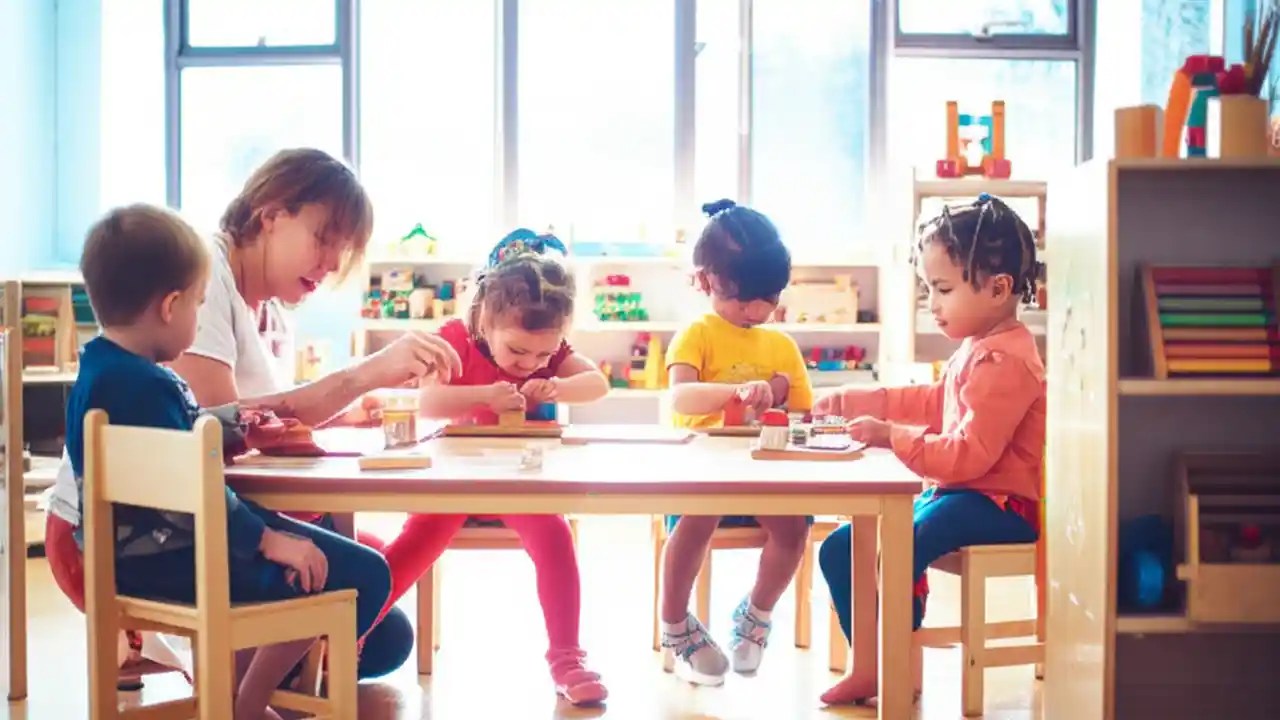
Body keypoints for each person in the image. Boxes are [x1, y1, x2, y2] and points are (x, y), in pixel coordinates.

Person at [64, 204, 395, 720]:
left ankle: (238, 700)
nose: (200, 318)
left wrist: (237, 427)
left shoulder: (101, 373)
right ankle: (245, 704)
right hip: (177, 561)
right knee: (352, 573)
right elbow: (188, 486)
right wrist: (269, 539)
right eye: (198, 304)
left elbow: (175, 442)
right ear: (171, 306)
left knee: (337, 563)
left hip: (128, 562)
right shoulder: (146, 384)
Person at [815, 194, 1045, 705]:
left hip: (1003, 506)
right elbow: (930, 400)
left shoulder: (1005, 361)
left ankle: (896, 664)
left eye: (942, 289)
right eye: (927, 289)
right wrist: (852, 399)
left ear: (998, 288)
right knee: (841, 547)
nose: (932, 304)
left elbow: (968, 456)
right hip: (964, 498)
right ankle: (874, 664)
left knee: (901, 541)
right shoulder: (977, 348)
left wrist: (891, 435)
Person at [373, 229, 611, 706]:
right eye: (518, 352)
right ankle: (353, 630)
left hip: (520, 483)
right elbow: (428, 400)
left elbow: (597, 384)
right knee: (417, 543)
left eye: (543, 354)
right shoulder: (456, 341)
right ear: (485, 318)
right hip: (454, 483)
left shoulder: (552, 355)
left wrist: (558, 387)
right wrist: (483, 394)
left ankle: (567, 657)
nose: (530, 364)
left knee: (555, 538)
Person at [659, 199, 813, 686]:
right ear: (706, 282)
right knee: (698, 516)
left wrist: (780, 393)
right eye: (742, 299)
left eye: (766, 298)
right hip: (703, 465)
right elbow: (681, 395)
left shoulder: (780, 344)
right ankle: (676, 624)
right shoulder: (698, 333)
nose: (756, 310)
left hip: (763, 468)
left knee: (793, 530)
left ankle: (757, 615)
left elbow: (802, 405)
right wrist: (734, 392)